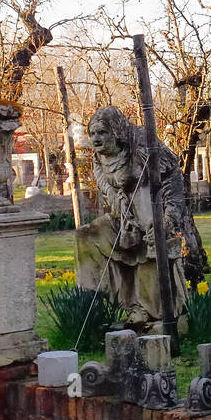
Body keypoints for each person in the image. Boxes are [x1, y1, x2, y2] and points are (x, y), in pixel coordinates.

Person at [75, 106, 187, 326]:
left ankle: (149, 312)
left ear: (115, 132)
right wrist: (124, 216)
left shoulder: (142, 145)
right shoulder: (99, 160)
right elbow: (108, 189)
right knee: (85, 236)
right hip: (123, 222)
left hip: (153, 219)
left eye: (102, 132)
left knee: (149, 250)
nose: (96, 139)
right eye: (93, 133)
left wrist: (167, 219)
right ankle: (93, 303)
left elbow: (172, 174)